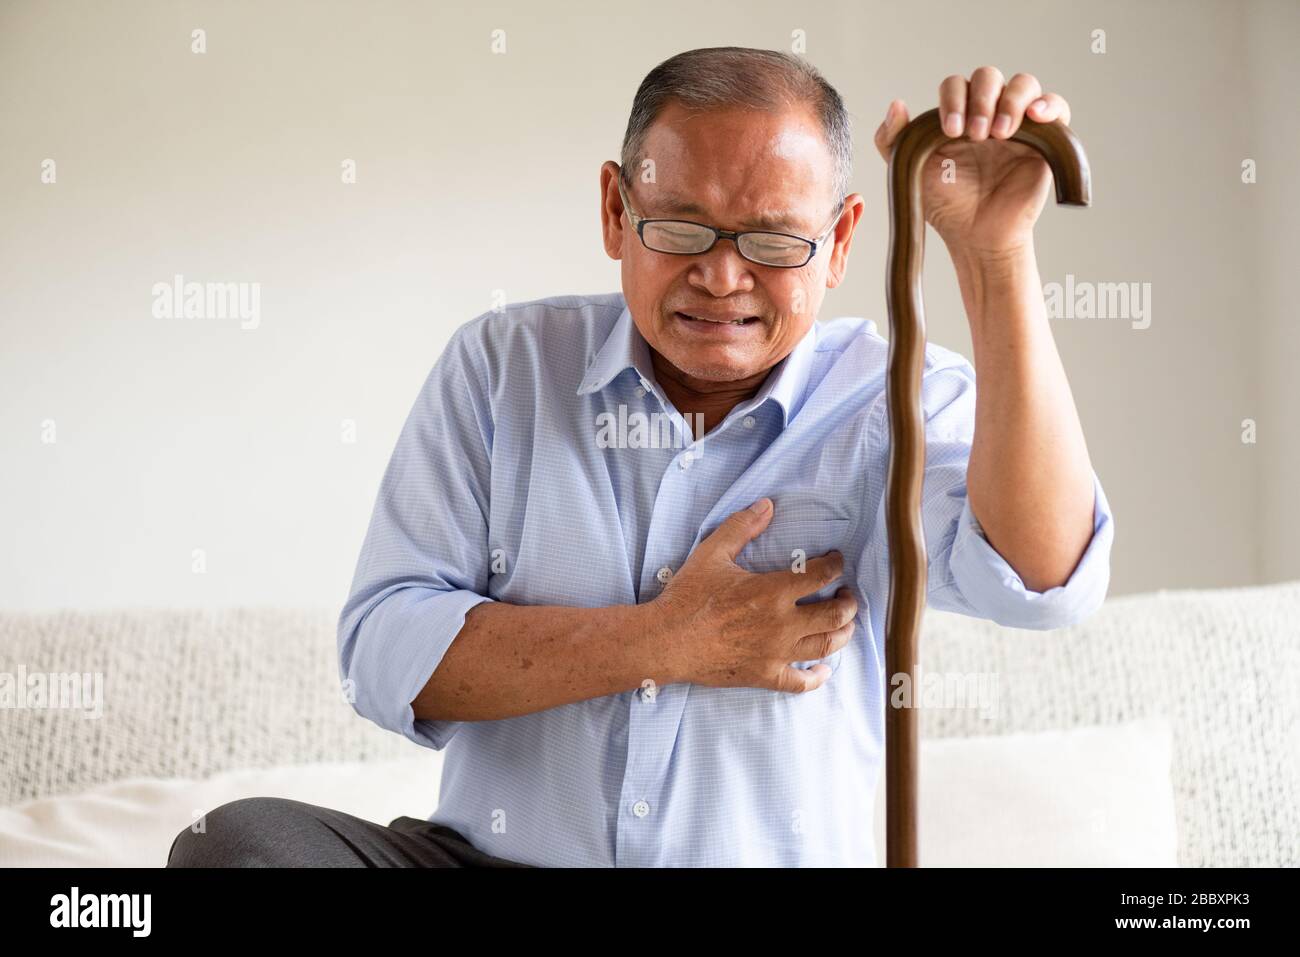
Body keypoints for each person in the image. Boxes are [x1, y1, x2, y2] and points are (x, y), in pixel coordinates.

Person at [168, 46, 1113, 868]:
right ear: (618, 210)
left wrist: (996, 257)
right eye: (680, 227)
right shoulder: (502, 368)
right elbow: (382, 655)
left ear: (840, 242)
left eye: (775, 239)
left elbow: (1045, 576)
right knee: (239, 845)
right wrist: (670, 640)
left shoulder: (894, 393)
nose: (722, 274)